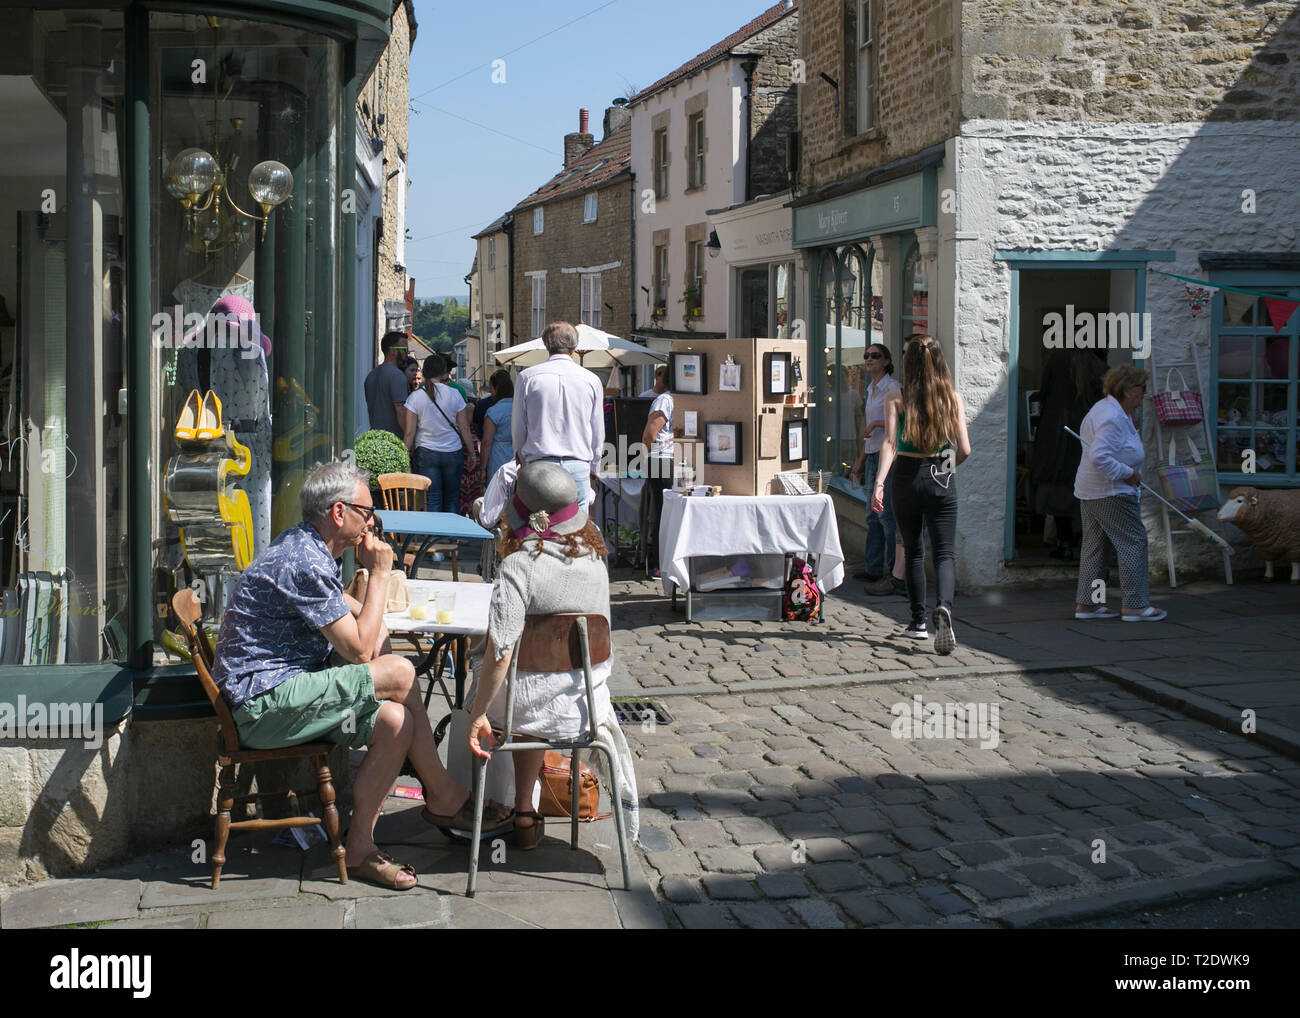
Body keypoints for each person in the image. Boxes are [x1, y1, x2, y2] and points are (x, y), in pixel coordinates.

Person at [211, 461, 501, 890]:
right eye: (368, 512)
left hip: (287, 690)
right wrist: (382, 572)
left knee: (395, 721)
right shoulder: (303, 559)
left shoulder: (309, 548)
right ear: (338, 513)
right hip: (262, 704)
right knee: (401, 671)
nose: (373, 522)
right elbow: (361, 648)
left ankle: (361, 846)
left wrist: (370, 609)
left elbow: (354, 618)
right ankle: (441, 794)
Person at [466, 462, 638, 847]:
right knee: (535, 691)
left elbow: (500, 652)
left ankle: (488, 807)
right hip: (582, 706)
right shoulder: (596, 562)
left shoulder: (517, 566)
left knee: (485, 700)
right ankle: (524, 811)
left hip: (520, 708)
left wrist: (477, 714)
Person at [873, 335, 972, 653]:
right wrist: (945, 467)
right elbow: (965, 450)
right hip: (941, 475)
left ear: (908, 364)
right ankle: (943, 608)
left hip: (906, 475)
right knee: (944, 553)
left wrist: (879, 483)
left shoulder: (895, 397)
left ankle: (917, 623)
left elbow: (889, 443)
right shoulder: (952, 398)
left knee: (913, 550)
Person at [1073, 364, 1166, 622]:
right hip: (1111, 491)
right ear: (1126, 390)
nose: (1144, 394)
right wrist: (1128, 473)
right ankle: (1135, 605)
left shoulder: (1111, 410)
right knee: (1133, 542)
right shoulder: (1112, 416)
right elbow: (1099, 456)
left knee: (1095, 546)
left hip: (1092, 490)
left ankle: (1088, 604)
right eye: (1142, 388)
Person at [512, 321, 604, 509]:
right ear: (574, 348)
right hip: (577, 463)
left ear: (546, 345)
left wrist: (521, 459)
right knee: (577, 531)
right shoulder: (591, 380)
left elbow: (518, 426)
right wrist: (595, 467)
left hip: (539, 464)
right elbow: (597, 430)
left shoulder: (527, 378)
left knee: (539, 526)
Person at [1031, 348, 1106, 560]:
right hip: (1086, 433)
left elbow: (1043, 393)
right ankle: (1090, 547)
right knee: (1087, 490)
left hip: (1055, 431)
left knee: (1057, 488)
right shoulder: (1098, 365)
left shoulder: (1058, 359)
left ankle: (1064, 543)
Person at [850, 344, 903, 594]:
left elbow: (904, 419)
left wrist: (877, 423)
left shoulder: (893, 388)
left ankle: (894, 572)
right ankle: (873, 568)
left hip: (888, 458)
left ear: (886, 361)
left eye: (875, 356)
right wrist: (860, 461)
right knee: (872, 515)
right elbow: (868, 434)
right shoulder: (870, 389)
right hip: (872, 455)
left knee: (886, 515)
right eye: (866, 356)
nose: (869, 359)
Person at [404, 353, 475, 513]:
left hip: (426, 451)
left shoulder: (415, 397)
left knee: (432, 498)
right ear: (444, 373)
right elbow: (464, 428)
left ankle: (434, 537)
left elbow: (409, 433)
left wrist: (404, 456)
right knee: (452, 497)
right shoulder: (455, 395)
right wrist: (472, 453)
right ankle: (452, 537)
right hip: (452, 451)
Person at [640, 363, 674, 575]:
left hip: (669, 459)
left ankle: (661, 561)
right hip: (662, 459)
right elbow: (650, 434)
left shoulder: (668, 399)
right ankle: (658, 562)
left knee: (665, 511)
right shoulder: (665, 400)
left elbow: (649, 435)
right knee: (662, 511)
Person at [363, 331, 411, 438]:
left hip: (375, 438)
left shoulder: (371, 375)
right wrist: (409, 439)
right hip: (393, 440)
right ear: (393, 351)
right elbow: (401, 410)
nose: (407, 353)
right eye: (404, 349)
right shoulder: (397, 376)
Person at [481, 369, 516, 488]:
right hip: (517, 455)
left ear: (497, 388)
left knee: (497, 492)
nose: (490, 391)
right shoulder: (520, 408)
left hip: (498, 456)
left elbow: (486, 442)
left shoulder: (494, 411)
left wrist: (482, 468)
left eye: (491, 387)